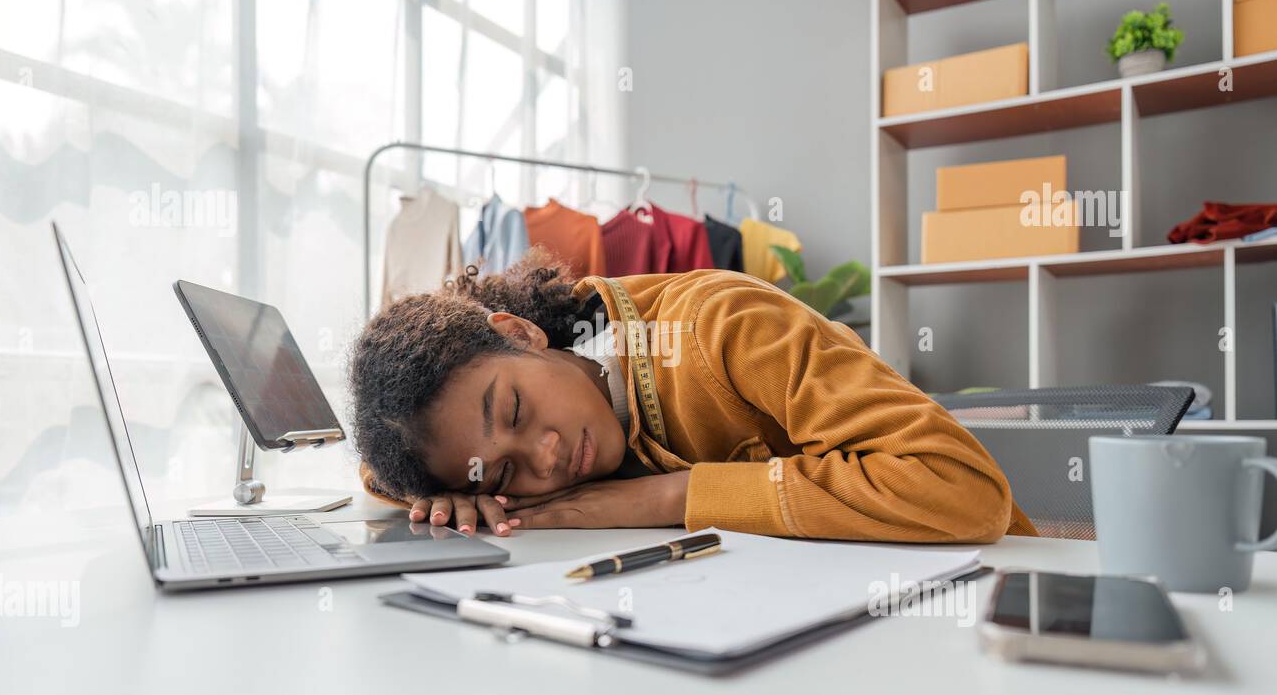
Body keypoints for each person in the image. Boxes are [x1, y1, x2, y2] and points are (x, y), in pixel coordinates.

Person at [348, 250, 1037, 542]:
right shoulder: (471, 434)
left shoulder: (718, 327)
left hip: (977, 590)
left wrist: (666, 497)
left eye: (518, 412)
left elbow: (964, 493)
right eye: (503, 472)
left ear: (522, 333)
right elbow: (382, 469)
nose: (548, 458)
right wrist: (449, 496)